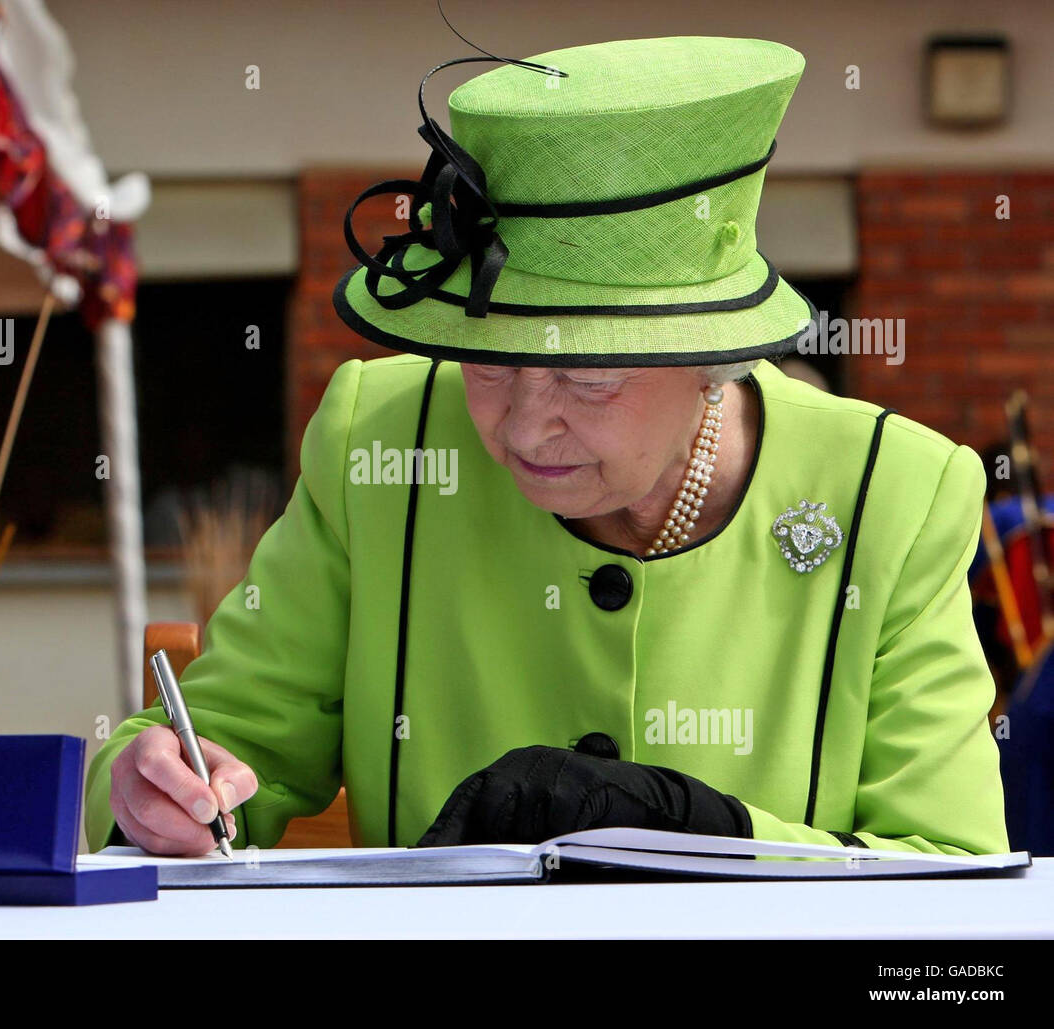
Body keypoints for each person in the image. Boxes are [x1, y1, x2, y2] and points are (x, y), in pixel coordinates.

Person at [84, 36, 1008, 856]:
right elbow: (229, 739)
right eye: (488, 364)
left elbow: (952, 868)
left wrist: (709, 830)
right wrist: (149, 788)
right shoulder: (381, 441)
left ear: (712, 363)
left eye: (588, 377)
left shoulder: (896, 492)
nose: (525, 426)